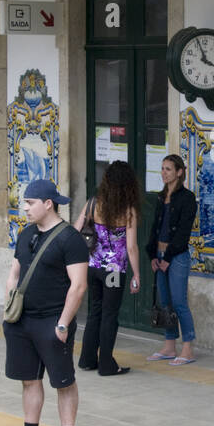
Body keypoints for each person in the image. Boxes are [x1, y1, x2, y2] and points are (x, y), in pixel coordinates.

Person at [0, 178, 90, 426]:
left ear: (47, 204)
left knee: (63, 382)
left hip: (53, 321)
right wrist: (8, 308)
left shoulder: (70, 239)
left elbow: (78, 286)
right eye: (25, 202)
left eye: (30, 203)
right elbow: (15, 273)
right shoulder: (26, 234)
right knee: (29, 380)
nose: (24, 208)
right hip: (22, 321)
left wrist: (63, 324)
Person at [74, 161, 142, 376]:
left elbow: (75, 231)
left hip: (92, 266)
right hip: (113, 271)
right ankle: (106, 364)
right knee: (109, 315)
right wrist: (137, 274)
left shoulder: (93, 204)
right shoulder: (128, 211)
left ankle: (86, 359)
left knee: (95, 311)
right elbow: (131, 247)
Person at [146, 154, 198, 365]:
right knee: (165, 302)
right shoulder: (161, 196)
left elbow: (183, 232)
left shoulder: (187, 198)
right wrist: (152, 255)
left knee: (179, 302)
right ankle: (169, 346)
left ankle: (187, 348)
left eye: (168, 169)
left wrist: (168, 257)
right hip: (159, 255)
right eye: (162, 168)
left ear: (179, 172)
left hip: (176, 257)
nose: (164, 173)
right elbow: (155, 228)